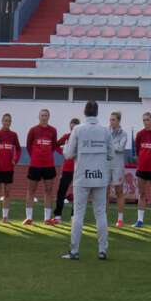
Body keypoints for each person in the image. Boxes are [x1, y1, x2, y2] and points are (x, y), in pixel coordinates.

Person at [59, 101, 112, 262]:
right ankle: (102, 250)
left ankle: (74, 250)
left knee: (78, 215)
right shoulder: (105, 131)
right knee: (101, 213)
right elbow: (111, 155)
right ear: (97, 112)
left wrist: (65, 148)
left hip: (82, 177)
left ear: (84, 112)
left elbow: (68, 154)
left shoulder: (77, 129)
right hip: (99, 176)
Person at [23, 108, 59, 225]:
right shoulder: (33, 130)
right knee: (31, 191)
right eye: (42, 115)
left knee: (48, 191)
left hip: (48, 165)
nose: (44, 117)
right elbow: (28, 146)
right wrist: (35, 157)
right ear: (39, 117)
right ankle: (29, 218)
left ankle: (47, 218)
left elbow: (53, 146)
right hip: (35, 165)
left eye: (46, 115)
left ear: (49, 117)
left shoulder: (53, 130)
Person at [0, 112, 21, 222]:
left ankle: (5, 217)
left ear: (10, 122)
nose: (7, 122)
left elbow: (19, 149)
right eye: (5, 120)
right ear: (2, 121)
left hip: (9, 168)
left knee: (7, 193)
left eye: (9, 121)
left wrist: (15, 160)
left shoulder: (13, 135)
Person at [51, 117, 79, 225]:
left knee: (77, 194)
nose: (73, 126)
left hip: (78, 169)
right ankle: (58, 216)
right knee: (61, 192)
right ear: (70, 126)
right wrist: (62, 151)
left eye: (76, 124)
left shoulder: (81, 138)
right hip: (67, 169)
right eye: (72, 124)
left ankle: (74, 217)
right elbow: (55, 145)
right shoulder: (67, 137)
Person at [105, 112, 130, 227]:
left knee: (119, 192)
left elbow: (120, 148)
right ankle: (103, 217)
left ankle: (120, 219)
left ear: (118, 121)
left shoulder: (123, 134)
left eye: (113, 120)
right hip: (105, 166)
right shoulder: (105, 133)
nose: (111, 122)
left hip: (117, 167)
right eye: (110, 120)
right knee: (104, 193)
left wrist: (109, 146)